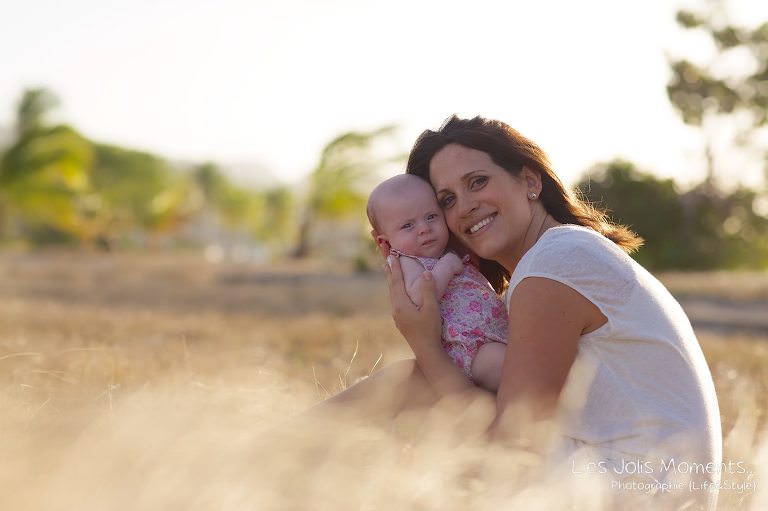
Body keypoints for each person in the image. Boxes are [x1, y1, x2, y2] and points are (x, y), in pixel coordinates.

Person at [323, 115, 721, 510]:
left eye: (477, 182)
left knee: (414, 385)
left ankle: (284, 458)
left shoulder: (556, 262)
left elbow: (509, 447)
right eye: (446, 201)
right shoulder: (560, 258)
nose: (465, 206)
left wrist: (424, 342)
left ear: (530, 181)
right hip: (626, 486)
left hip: (632, 495)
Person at [366, 174, 508, 391]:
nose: (424, 228)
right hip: (470, 347)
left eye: (431, 216)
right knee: (510, 369)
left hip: (491, 333)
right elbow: (418, 299)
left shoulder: (443, 253)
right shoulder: (406, 261)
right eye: (408, 225)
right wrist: (446, 268)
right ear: (384, 241)